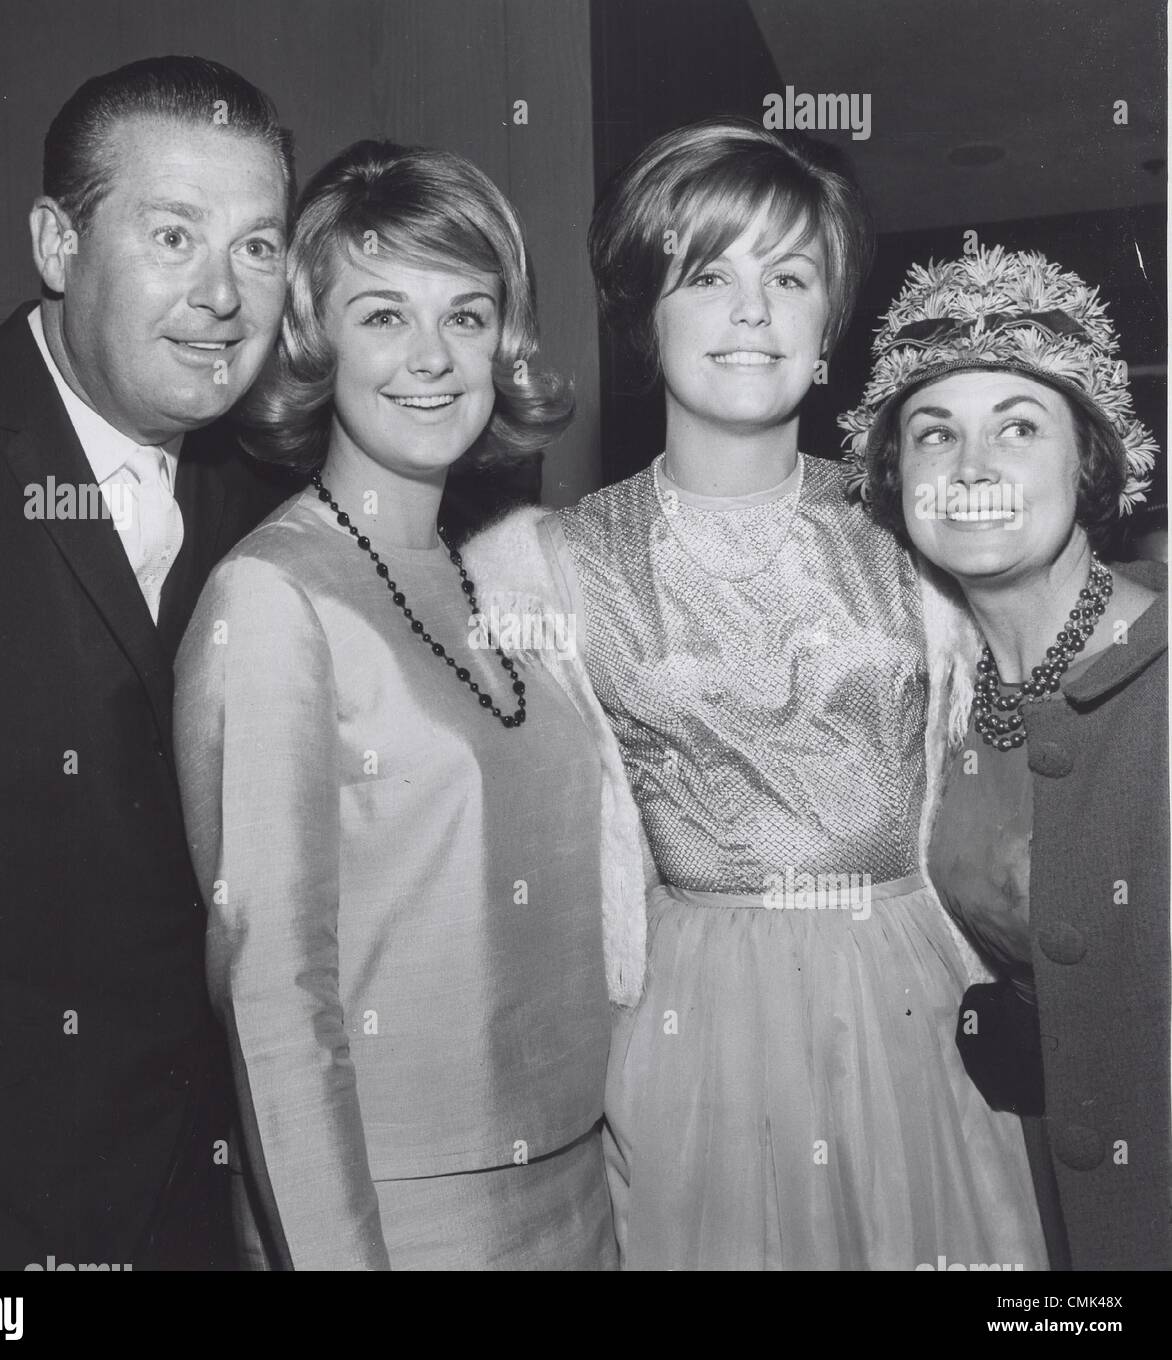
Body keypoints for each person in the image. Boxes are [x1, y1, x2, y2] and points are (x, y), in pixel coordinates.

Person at [464, 118, 1047, 1269]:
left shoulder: (916, 528)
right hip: (694, 1025)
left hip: (912, 1000)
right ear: (646, 310)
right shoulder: (550, 566)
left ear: (827, 322)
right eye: (709, 274)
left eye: (787, 278)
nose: (750, 310)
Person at [0, 55, 302, 1270]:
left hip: (197, 1214)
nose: (223, 295)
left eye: (259, 247)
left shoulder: (278, 505)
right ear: (57, 245)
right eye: (174, 235)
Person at [174, 140, 619, 1270]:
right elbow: (275, 1002)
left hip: (580, 1187)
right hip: (402, 1216)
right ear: (313, 338)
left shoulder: (499, 574)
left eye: (466, 315)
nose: (432, 357)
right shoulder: (269, 596)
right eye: (383, 316)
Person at [839, 244, 1170, 1270]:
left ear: (1091, 460)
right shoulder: (927, 699)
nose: (971, 468)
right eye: (935, 433)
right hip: (1018, 1207)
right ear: (896, 479)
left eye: (1018, 429)